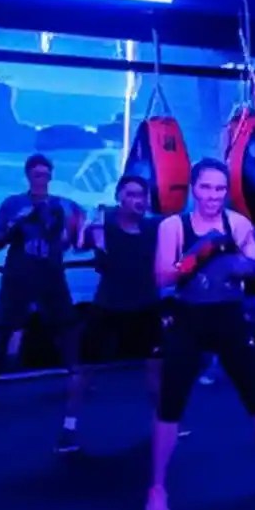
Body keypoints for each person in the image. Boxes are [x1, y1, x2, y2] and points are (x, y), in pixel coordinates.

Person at [147, 158, 255, 510]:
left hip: (230, 316)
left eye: (219, 188)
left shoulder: (239, 223)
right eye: (206, 188)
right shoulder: (174, 226)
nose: (213, 195)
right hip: (188, 317)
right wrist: (200, 255)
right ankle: (157, 488)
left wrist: (250, 267)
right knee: (170, 403)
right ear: (194, 189)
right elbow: (162, 278)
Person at [57, 175, 165, 454]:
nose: (138, 200)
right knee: (86, 370)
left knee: (155, 367)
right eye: (131, 194)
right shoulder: (102, 226)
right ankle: (69, 428)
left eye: (141, 195)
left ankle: (165, 421)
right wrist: (86, 226)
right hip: (108, 307)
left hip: (146, 307)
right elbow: (77, 245)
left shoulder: (154, 228)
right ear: (120, 197)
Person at [0, 154, 84, 407]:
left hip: (51, 275)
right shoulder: (13, 204)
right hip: (19, 277)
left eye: (46, 174)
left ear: (51, 176)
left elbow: (71, 240)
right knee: (2, 329)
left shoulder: (62, 205)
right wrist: (18, 222)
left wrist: (74, 230)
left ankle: (76, 377)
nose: (42, 179)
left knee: (66, 328)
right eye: (37, 174)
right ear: (28, 175)